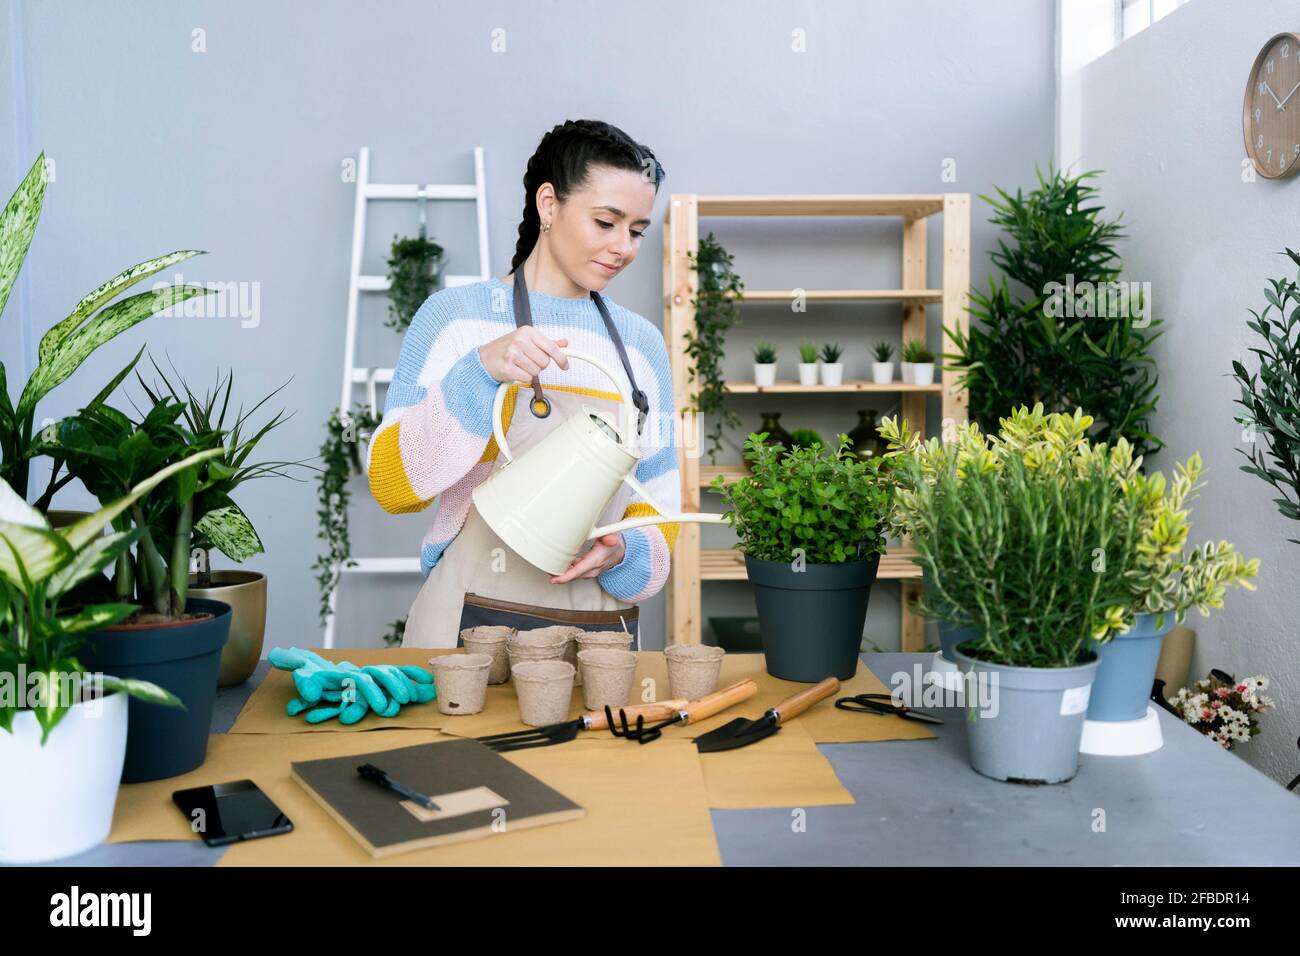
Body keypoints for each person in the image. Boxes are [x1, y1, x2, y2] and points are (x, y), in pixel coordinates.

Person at [366, 119, 680, 649]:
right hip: (467, 621)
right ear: (549, 204)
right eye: (606, 222)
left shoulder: (640, 345)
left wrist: (627, 550)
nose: (623, 247)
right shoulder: (456, 319)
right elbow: (392, 485)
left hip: (597, 630)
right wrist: (481, 371)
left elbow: (660, 496)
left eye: (637, 231)